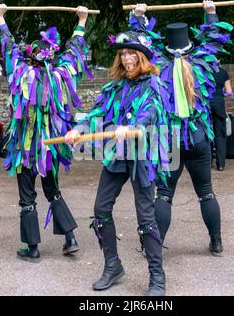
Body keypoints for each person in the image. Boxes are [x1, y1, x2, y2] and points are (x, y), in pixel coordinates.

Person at [64, 27, 170, 296]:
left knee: (146, 217)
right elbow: (98, 111)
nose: (126, 59)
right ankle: (113, 266)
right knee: (100, 210)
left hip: (142, 155)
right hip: (117, 153)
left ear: (141, 57)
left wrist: (133, 125)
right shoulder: (115, 87)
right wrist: (79, 130)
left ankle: (157, 277)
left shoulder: (153, 84)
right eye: (123, 54)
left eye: (131, 54)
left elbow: (152, 111)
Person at [129, 0, 233, 255]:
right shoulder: (202, 62)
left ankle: (155, 246)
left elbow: (139, 46)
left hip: (170, 140)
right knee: (206, 193)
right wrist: (210, 13)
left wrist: (139, 17)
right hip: (198, 137)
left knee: (164, 194)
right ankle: (216, 242)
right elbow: (214, 40)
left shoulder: (156, 66)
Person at [0, 4, 93, 261]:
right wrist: (81, 20)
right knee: (53, 190)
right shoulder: (62, 76)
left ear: (30, 56)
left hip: (26, 150)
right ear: (51, 56)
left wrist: (0, 17)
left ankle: (33, 248)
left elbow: (8, 46)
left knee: (27, 195)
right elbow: (74, 52)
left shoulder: (20, 72)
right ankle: (70, 237)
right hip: (50, 147)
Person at [210, 64, 233, 171]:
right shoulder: (223, 72)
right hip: (219, 103)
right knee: (220, 134)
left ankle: (207, 162)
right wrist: (220, 93)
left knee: (206, 133)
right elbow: (229, 91)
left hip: (205, 104)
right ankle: (220, 164)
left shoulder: (203, 70)